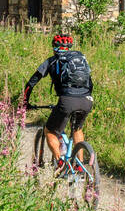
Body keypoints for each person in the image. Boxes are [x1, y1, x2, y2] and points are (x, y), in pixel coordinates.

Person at [20, 33, 93, 170]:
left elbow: (31, 83)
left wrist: (25, 102)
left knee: (50, 131)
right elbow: (90, 83)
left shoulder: (52, 61)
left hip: (67, 100)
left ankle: (60, 163)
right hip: (87, 100)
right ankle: (80, 165)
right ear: (69, 47)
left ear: (54, 47)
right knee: (77, 128)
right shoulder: (80, 60)